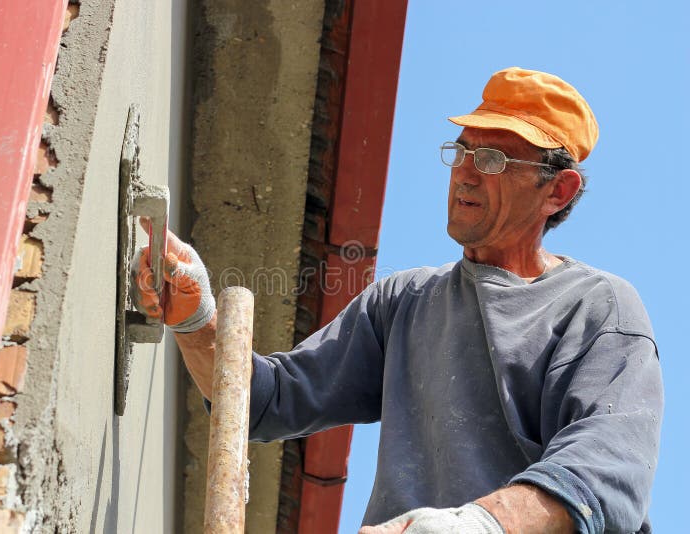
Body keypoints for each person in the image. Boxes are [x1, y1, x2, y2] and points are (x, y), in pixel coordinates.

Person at [133, 67, 663, 534]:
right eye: (461, 151)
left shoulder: (597, 308)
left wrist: (481, 524)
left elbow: (605, 473)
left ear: (558, 191)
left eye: (495, 158)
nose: (466, 172)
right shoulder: (406, 300)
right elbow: (265, 402)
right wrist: (197, 319)